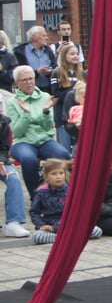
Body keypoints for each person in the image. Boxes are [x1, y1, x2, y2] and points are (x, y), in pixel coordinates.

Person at [8, 65, 71, 195]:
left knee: (63, 155)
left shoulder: (45, 97)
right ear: (17, 83)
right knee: (28, 159)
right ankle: (35, 196)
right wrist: (26, 114)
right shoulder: (12, 102)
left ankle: (64, 193)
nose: (29, 82)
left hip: (44, 140)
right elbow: (17, 131)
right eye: (24, 80)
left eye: (31, 78)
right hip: (23, 141)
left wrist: (46, 111)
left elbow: (48, 127)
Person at [29, 159, 103, 245]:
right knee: (38, 237)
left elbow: (75, 212)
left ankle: (65, 237)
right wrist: (41, 225)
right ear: (46, 176)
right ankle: (65, 238)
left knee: (96, 231)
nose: (58, 177)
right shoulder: (41, 193)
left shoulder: (72, 191)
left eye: (61, 173)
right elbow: (34, 212)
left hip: (70, 224)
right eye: (53, 174)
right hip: (50, 225)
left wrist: (56, 228)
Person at [0, 103, 29, 238]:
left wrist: (1, 161)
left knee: (13, 178)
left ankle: (14, 222)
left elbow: (4, 149)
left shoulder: (3, 121)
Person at [50, 43, 86, 151]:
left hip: (79, 118)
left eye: (77, 54)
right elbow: (56, 94)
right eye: (72, 54)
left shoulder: (83, 74)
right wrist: (74, 90)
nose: (75, 56)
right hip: (62, 116)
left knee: (78, 149)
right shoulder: (56, 73)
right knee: (64, 149)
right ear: (64, 56)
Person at [14, 26, 57, 93]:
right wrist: (37, 72)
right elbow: (20, 72)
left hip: (48, 90)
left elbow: (54, 66)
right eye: (44, 36)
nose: (47, 38)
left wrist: (49, 72)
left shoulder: (48, 50)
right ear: (34, 37)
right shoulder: (20, 52)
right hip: (29, 91)